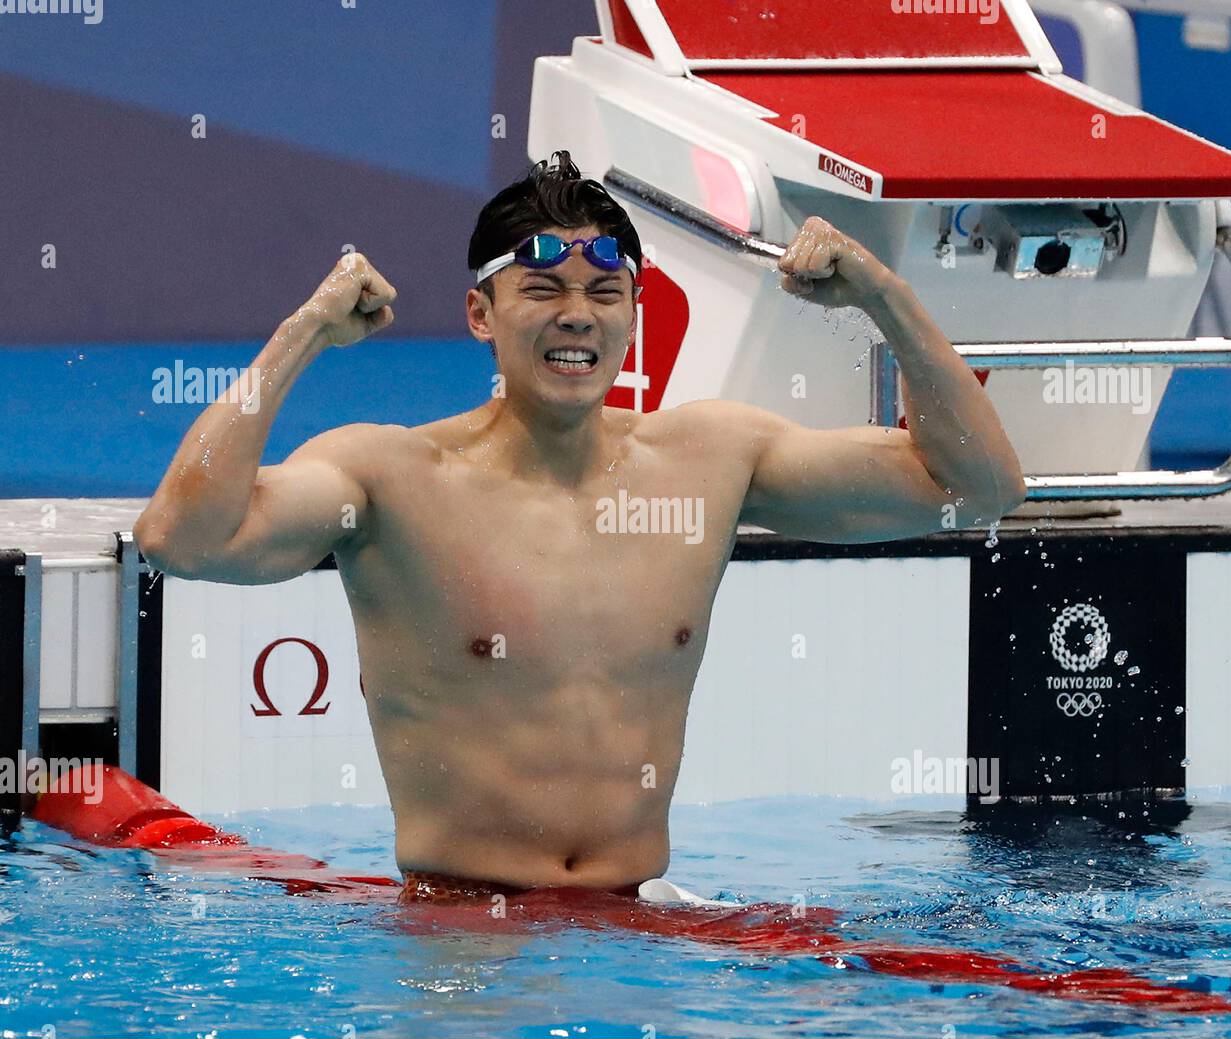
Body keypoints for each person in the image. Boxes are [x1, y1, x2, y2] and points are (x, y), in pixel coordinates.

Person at [133, 151, 1025, 902]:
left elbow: (978, 485)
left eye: (606, 291)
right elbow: (184, 537)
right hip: (461, 944)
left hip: (638, 932)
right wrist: (303, 333)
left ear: (634, 317)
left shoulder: (711, 458)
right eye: (543, 289)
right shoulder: (391, 476)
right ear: (480, 314)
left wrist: (882, 294)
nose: (577, 314)